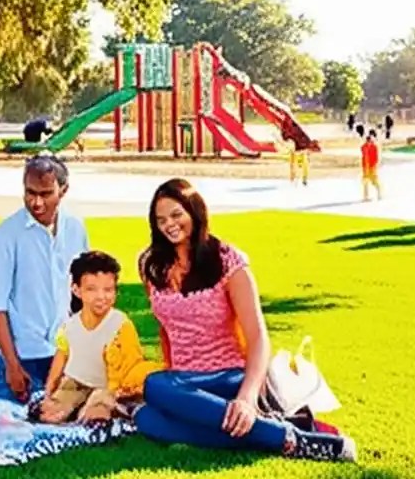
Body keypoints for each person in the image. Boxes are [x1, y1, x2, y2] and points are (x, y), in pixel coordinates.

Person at [135, 179, 356, 461]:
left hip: (230, 376)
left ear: (195, 211)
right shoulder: (151, 264)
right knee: (146, 417)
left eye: (177, 214)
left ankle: (286, 437)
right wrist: (176, 382)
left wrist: (247, 397)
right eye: (161, 219)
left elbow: (258, 336)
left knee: (154, 386)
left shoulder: (228, 260)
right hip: (184, 381)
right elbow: (165, 329)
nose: (169, 224)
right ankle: (284, 433)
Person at [0, 154, 90, 401]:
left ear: (63, 191)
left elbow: (83, 292)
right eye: (30, 193)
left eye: (45, 194)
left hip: (67, 351)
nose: (36, 202)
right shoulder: (6, 235)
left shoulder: (76, 229)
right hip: (26, 354)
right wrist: (12, 365)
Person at [39, 251, 159, 424]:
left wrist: (115, 394)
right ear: (76, 290)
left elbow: (129, 366)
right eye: (91, 290)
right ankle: (70, 408)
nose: (101, 297)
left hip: (107, 387)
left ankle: (95, 411)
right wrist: (49, 393)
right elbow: (60, 359)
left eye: (108, 290)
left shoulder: (120, 325)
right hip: (75, 382)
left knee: (94, 417)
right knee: (50, 415)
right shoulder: (70, 326)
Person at [361, 130, 382, 201]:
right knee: (365, 182)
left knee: (374, 181)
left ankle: (379, 193)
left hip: (372, 167)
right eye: (367, 141)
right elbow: (364, 155)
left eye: (369, 141)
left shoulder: (374, 147)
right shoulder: (364, 147)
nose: (368, 142)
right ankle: (365, 196)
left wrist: (374, 165)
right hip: (365, 167)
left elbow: (376, 157)